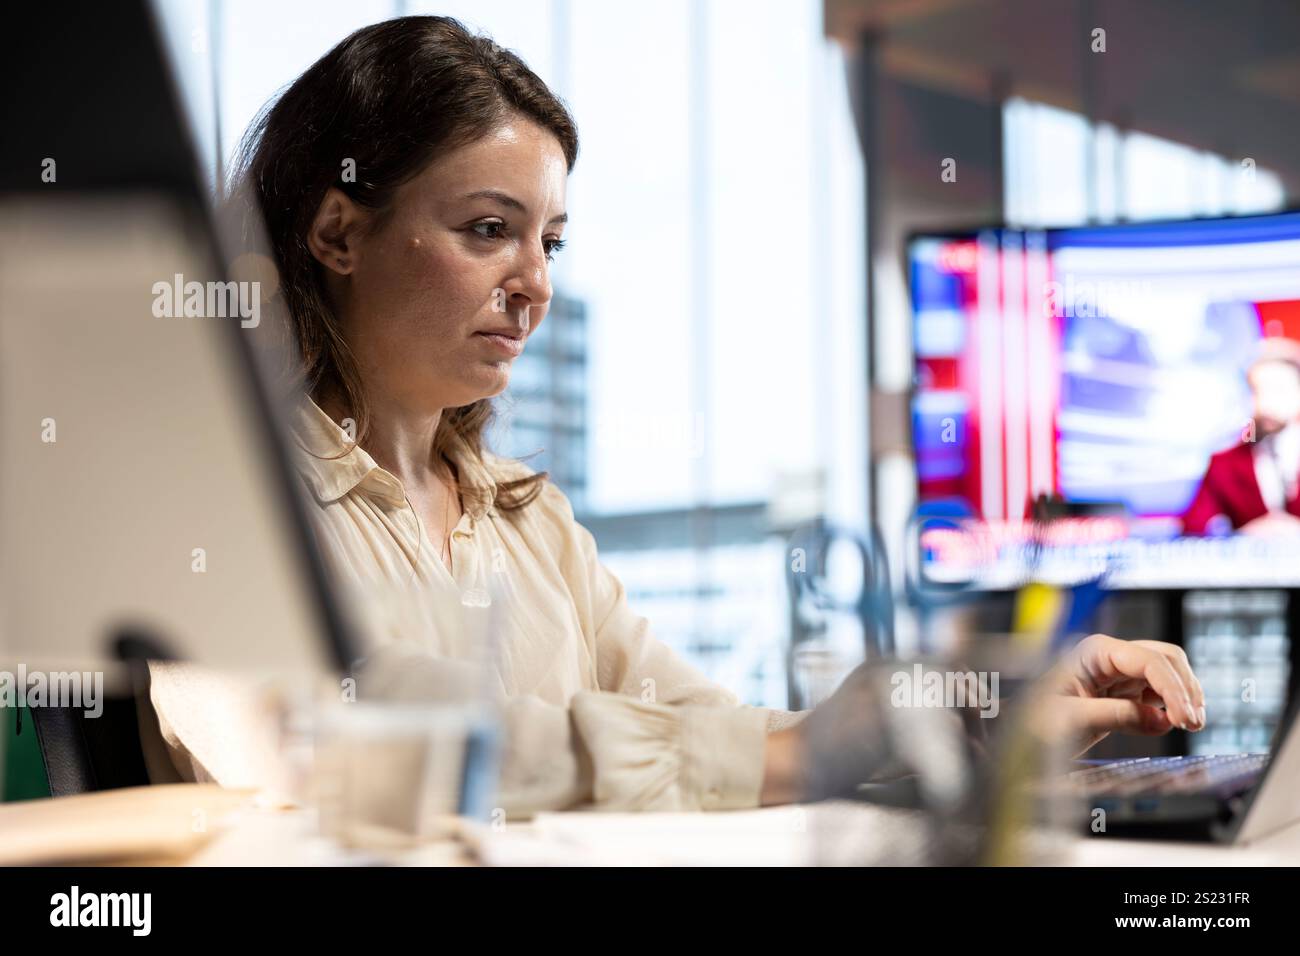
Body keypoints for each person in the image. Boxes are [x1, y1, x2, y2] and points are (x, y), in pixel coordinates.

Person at [145, 16, 1207, 816]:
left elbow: (710, 732)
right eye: (487, 229)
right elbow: (326, 747)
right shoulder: (213, 499)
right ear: (336, 232)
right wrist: (809, 746)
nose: (534, 284)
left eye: (549, 242)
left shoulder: (528, 521)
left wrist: (966, 703)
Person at [1183, 338, 1300, 536]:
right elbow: (1193, 530)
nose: (1265, 403)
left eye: (1278, 390)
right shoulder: (1224, 463)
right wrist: (1242, 536)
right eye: (1256, 391)